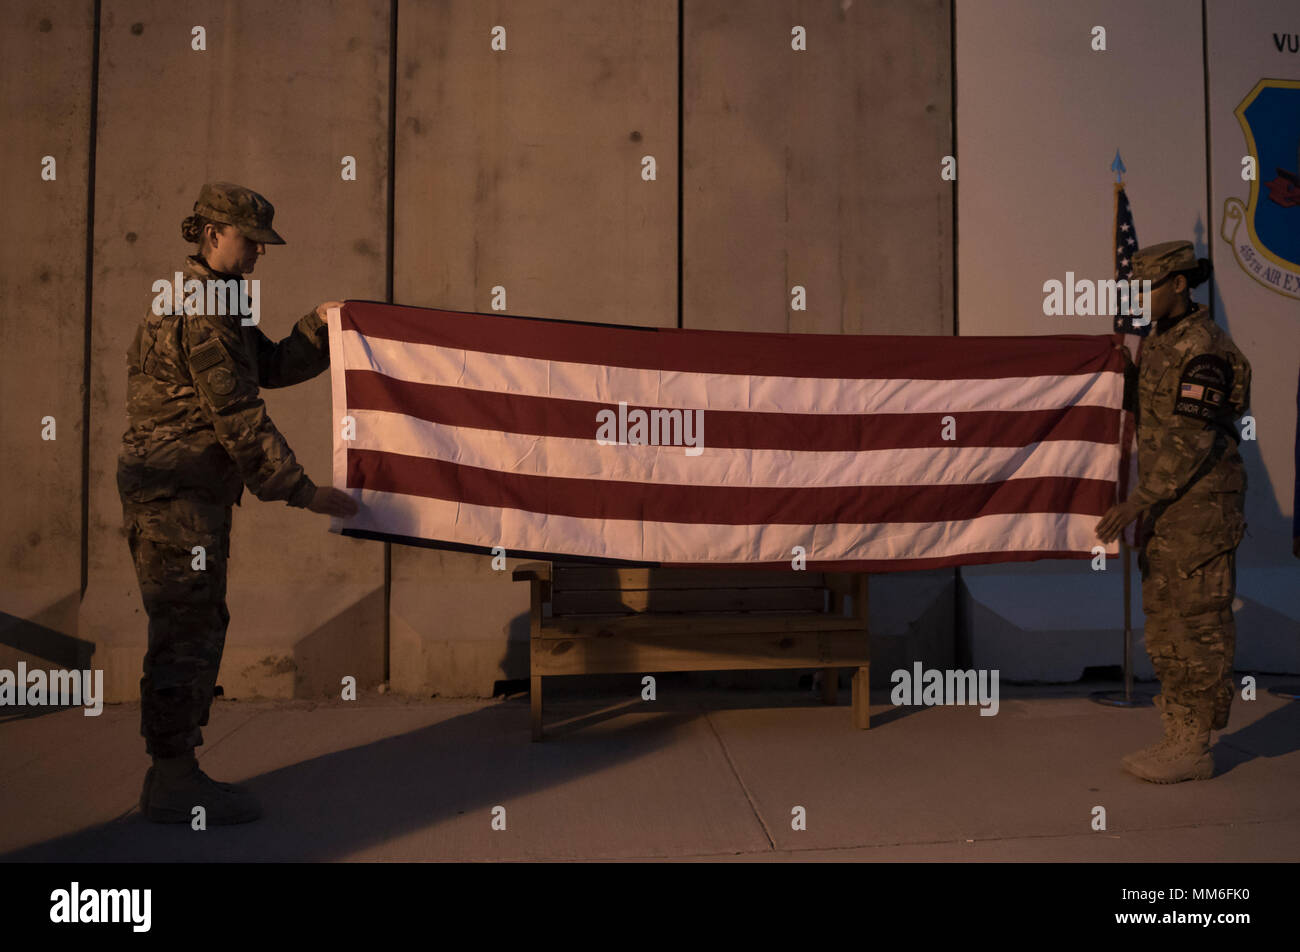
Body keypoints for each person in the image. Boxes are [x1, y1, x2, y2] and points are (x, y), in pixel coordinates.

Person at [117, 182, 359, 823]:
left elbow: (268, 367)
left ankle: (170, 775)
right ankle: (173, 780)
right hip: (176, 492)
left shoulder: (214, 299)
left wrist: (321, 326)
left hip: (185, 488)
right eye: (250, 241)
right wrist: (304, 492)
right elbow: (237, 413)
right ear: (213, 232)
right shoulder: (200, 306)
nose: (257, 254)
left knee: (192, 624)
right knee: (186, 630)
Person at [1096, 240, 1251, 783]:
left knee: (1199, 621)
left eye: (1150, 287)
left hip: (1201, 506)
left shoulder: (1203, 347)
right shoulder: (1160, 341)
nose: (1141, 297)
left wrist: (1136, 501)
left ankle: (1196, 743)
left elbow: (1190, 436)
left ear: (1180, 284)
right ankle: (1178, 731)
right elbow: (1149, 413)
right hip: (1168, 503)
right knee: (1165, 621)